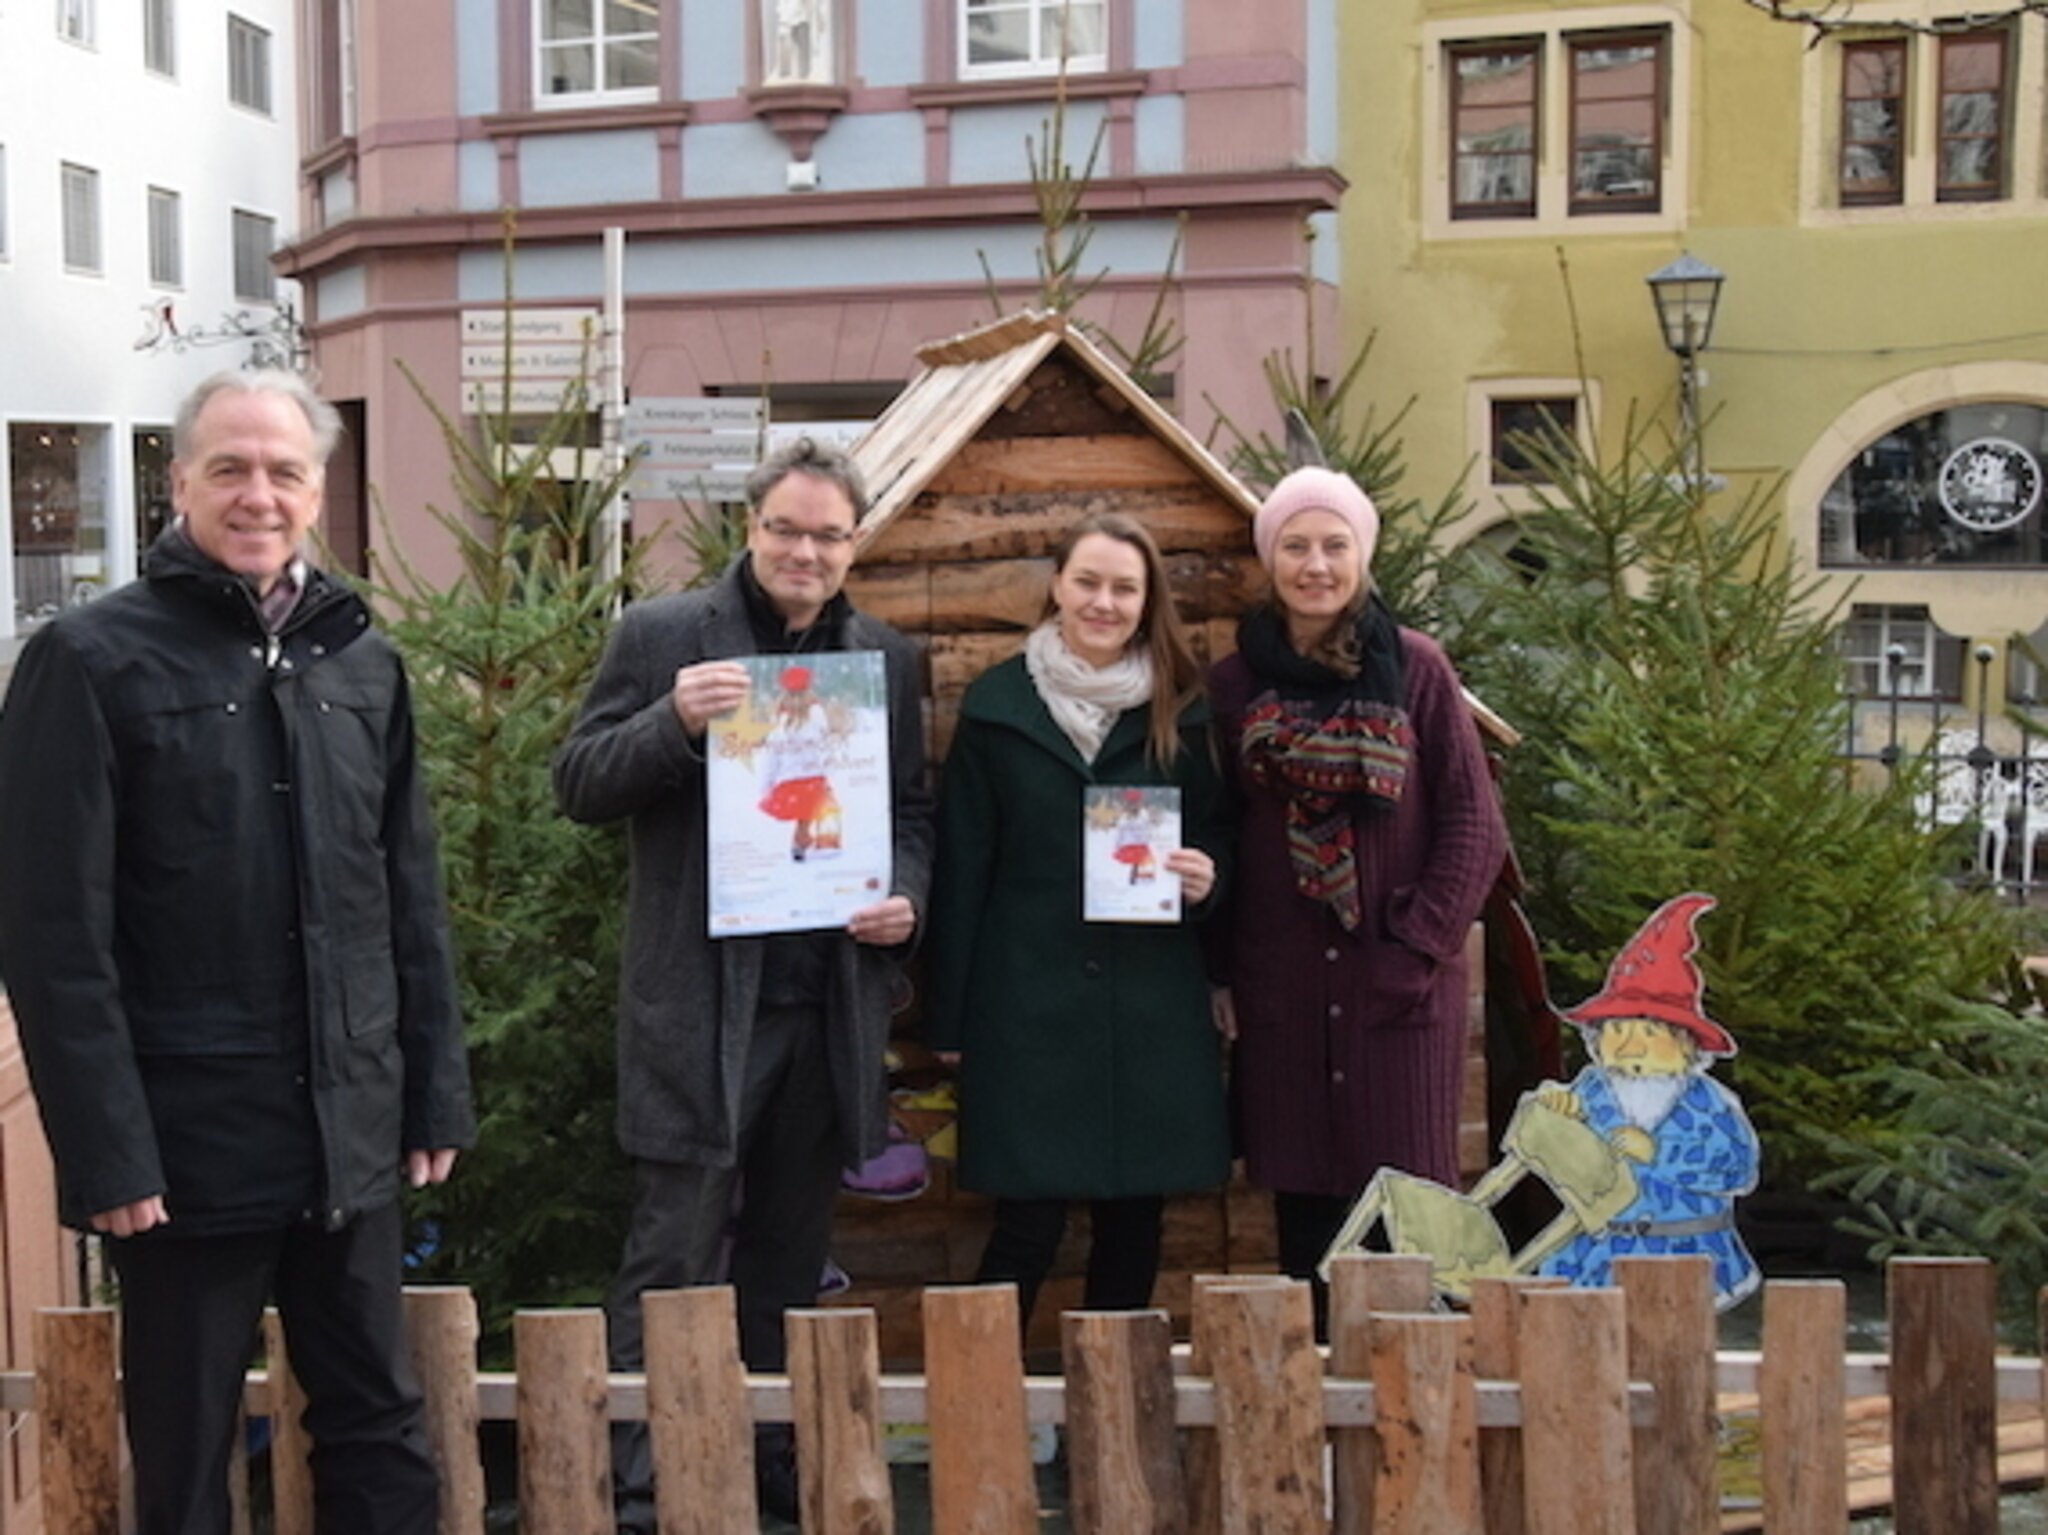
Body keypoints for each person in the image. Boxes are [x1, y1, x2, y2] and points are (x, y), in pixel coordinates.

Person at [0, 369, 474, 1535]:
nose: (257, 494)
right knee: (185, 1448)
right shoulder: (90, 657)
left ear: (318, 488)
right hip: (184, 1147)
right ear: (180, 482)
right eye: (230, 468)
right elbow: (53, 929)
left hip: (351, 1126)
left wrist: (433, 1092)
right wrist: (107, 1150)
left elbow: (408, 893)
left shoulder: (359, 658)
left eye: (284, 471)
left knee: (378, 1426)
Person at [553, 436, 933, 1530]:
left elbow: (908, 811)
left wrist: (903, 896)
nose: (803, 551)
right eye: (785, 529)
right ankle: (642, 1487)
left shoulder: (883, 661)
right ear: (750, 528)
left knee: (787, 1256)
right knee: (670, 1250)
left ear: (852, 543)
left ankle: (772, 1467)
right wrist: (671, 721)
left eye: (826, 534)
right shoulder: (665, 636)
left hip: (826, 1009)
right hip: (699, 1011)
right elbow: (577, 781)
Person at [927, 513, 1231, 1331]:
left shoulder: (1186, 714)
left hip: (1150, 1008)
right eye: (1088, 582)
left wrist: (1209, 878)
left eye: (1123, 587)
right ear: (1056, 586)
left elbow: (1223, 843)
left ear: (1146, 600)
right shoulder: (997, 710)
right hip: (1025, 1006)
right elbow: (962, 867)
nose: (1103, 602)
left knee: (1134, 1223)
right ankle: (978, 1417)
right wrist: (947, 1017)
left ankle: (1111, 1424)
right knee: (1024, 1225)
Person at [1209, 466, 1507, 1292]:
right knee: (1307, 1231)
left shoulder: (1414, 669)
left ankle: (1415, 1414)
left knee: (1408, 1220)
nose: (1315, 565)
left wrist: (1415, 945)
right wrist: (1224, 968)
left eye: (1334, 545)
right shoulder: (1237, 684)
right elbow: (1223, 830)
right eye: (1295, 545)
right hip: (1285, 994)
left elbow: (1475, 825)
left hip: (1399, 992)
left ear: (1361, 556)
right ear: (1271, 559)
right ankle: (1317, 1414)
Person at [1535, 893, 1761, 1308]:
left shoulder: (1708, 1102)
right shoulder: (1591, 1089)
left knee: (1675, 1346)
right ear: (1597, 1040)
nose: (1631, 1047)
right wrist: (1557, 1113)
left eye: (1649, 1034)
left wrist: (1658, 1152)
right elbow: (1558, 1157)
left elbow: (1736, 1167)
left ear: (1687, 1046)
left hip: (1686, 1252)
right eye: (1617, 1032)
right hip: (1598, 1253)